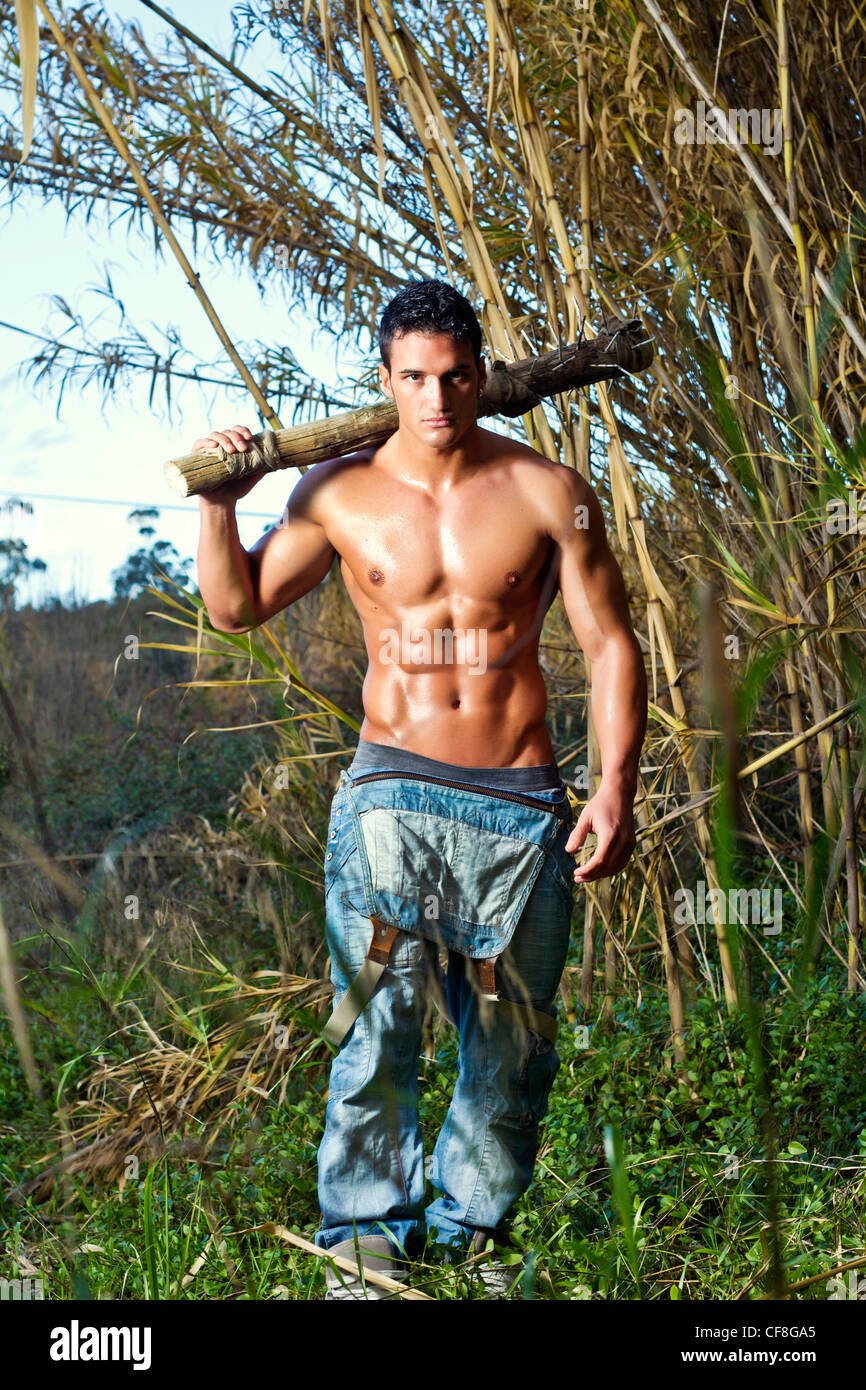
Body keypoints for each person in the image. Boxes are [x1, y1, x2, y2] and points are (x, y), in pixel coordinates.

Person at [193, 278, 647, 1298]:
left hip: (520, 805)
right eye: (412, 378)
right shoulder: (337, 494)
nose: (435, 399)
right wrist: (222, 506)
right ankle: (362, 1249)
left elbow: (611, 642)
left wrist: (613, 786)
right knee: (373, 1032)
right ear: (386, 378)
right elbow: (235, 606)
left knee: (510, 1048)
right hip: (389, 792)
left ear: (480, 374)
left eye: (452, 376)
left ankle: (470, 1242)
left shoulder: (546, 490)